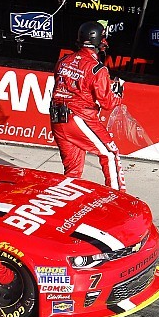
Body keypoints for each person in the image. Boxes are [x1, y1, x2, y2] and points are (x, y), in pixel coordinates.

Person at [50, 21, 125, 191]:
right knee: (110, 154)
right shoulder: (98, 69)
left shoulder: (63, 61)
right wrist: (118, 94)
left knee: (73, 172)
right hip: (79, 118)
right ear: (98, 41)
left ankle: (64, 208)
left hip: (57, 120)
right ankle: (118, 198)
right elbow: (107, 103)